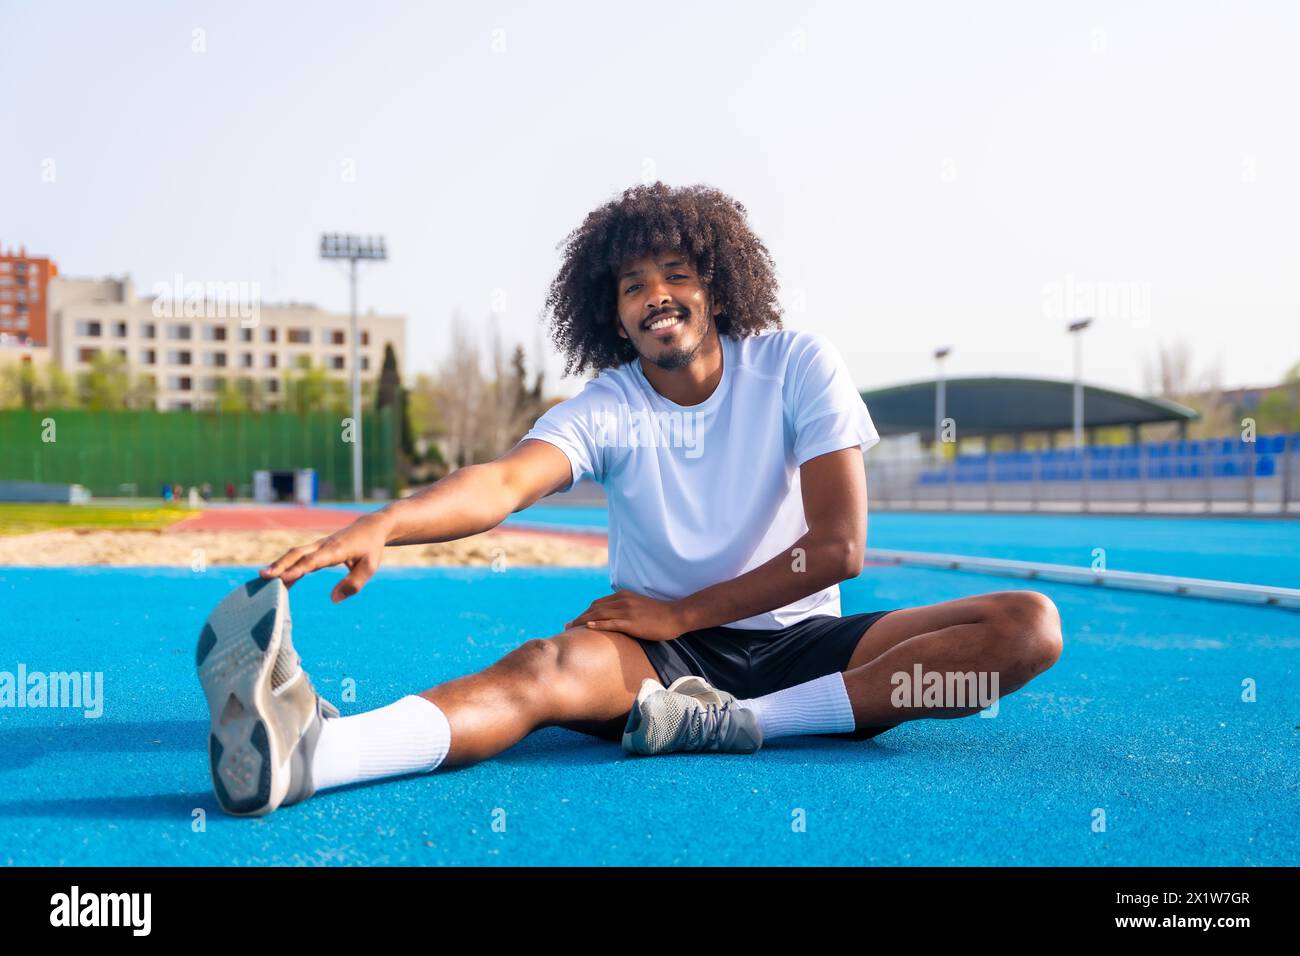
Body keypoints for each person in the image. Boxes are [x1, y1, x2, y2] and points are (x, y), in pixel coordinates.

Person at [196, 182, 1063, 817]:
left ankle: (746, 723)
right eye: (632, 284)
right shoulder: (611, 404)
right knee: (540, 669)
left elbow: (836, 551)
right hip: (658, 663)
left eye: (676, 273)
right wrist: (387, 521)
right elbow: (501, 483)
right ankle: (318, 751)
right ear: (615, 318)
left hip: (799, 643)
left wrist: (684, 609)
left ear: (715, 289)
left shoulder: (797, 364)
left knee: (1026, 627)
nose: (656, 294)